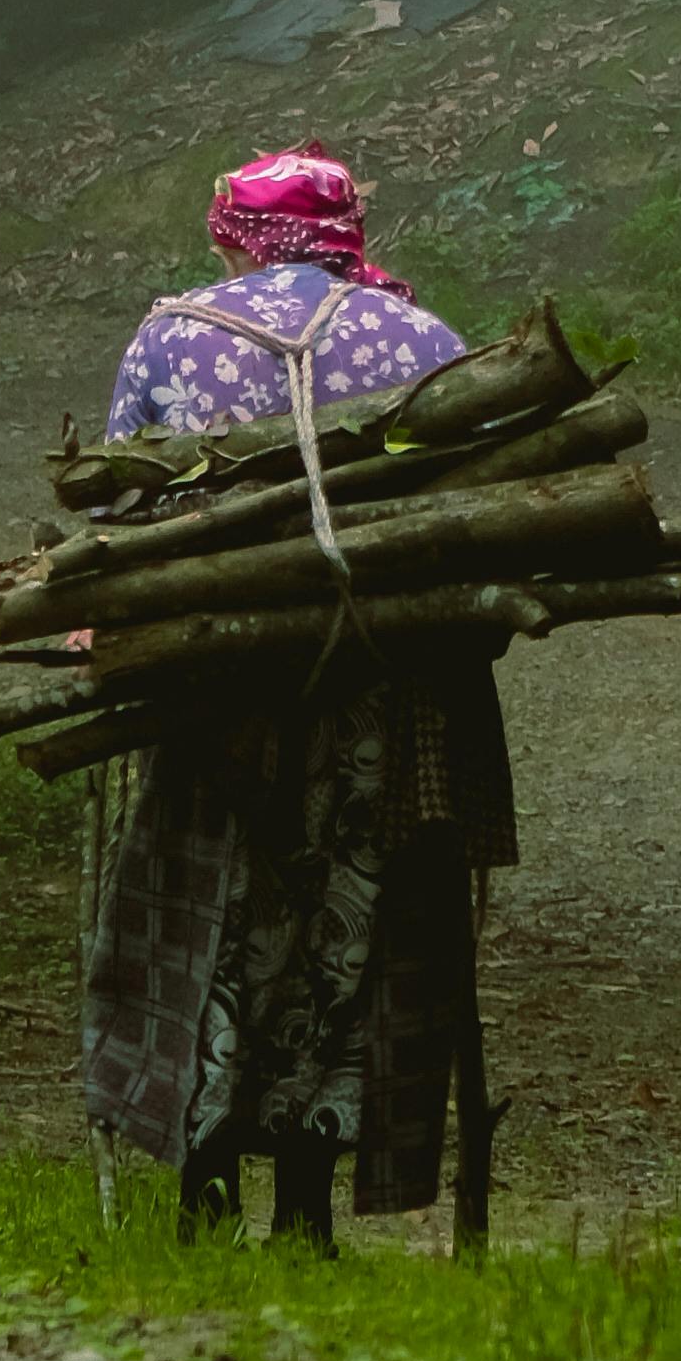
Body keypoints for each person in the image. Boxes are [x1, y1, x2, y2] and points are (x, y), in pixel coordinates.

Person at [77, 146, 514, 1248]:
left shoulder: (176, 331)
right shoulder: (422, 339)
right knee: (350, 925)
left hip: (218, 681)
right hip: (379, 685)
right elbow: (485, 502)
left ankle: (204, 1186)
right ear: (344, 229)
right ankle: (308, 1211)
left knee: (220, 912)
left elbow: (121, 515)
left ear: (233, 232)